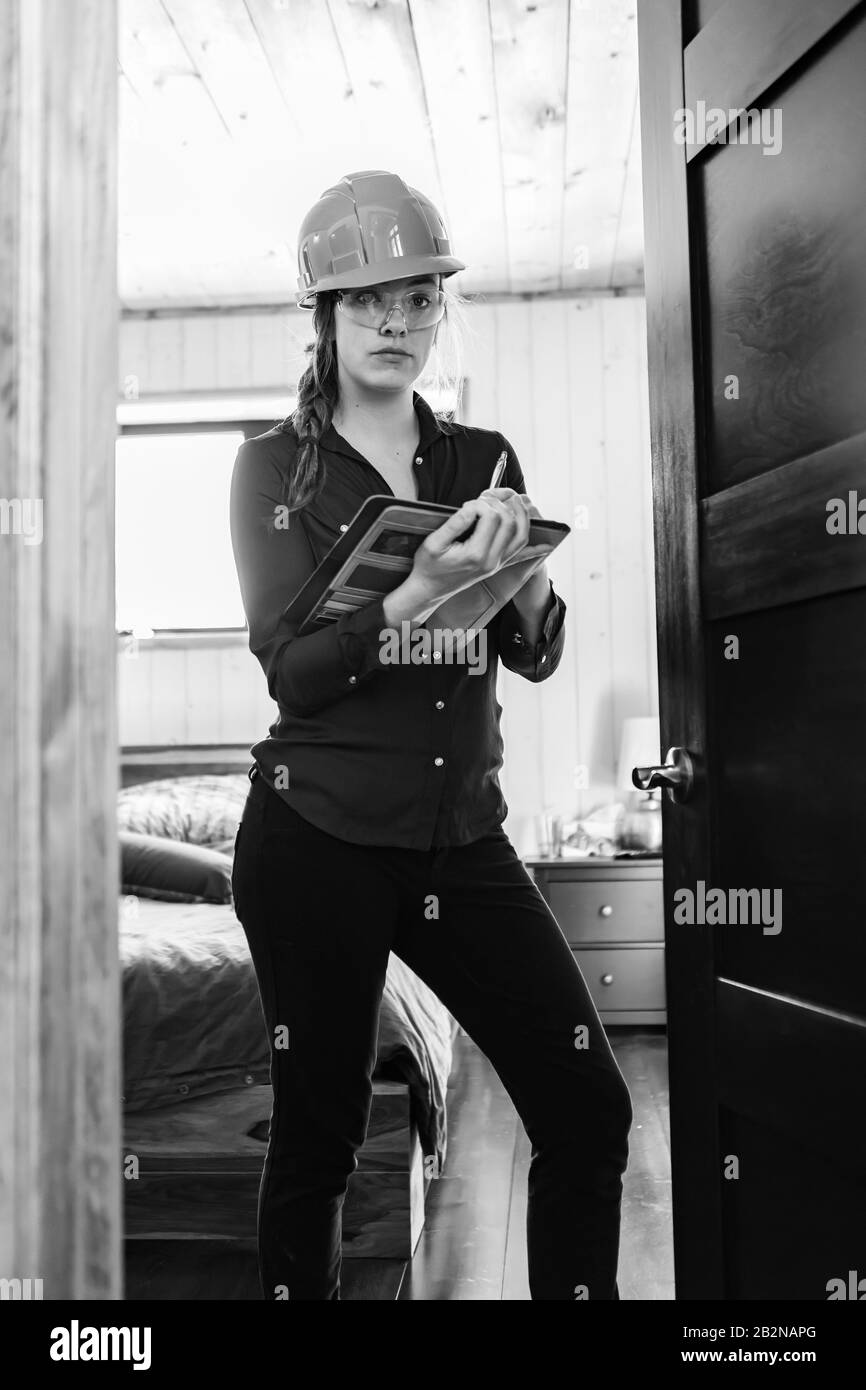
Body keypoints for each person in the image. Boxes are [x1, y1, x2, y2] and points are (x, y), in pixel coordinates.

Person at [229, 170, 633, 1301]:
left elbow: (536, 653)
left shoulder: (483, 459)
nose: (397, 323)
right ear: (326, 316)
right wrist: (412, 596)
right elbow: (294, 675)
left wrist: (529, 577)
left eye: (416, 299)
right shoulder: (272, 471)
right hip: (315, 838)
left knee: (585, 1107)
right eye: (369, 302)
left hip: (462, 838)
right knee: (318, 1138)